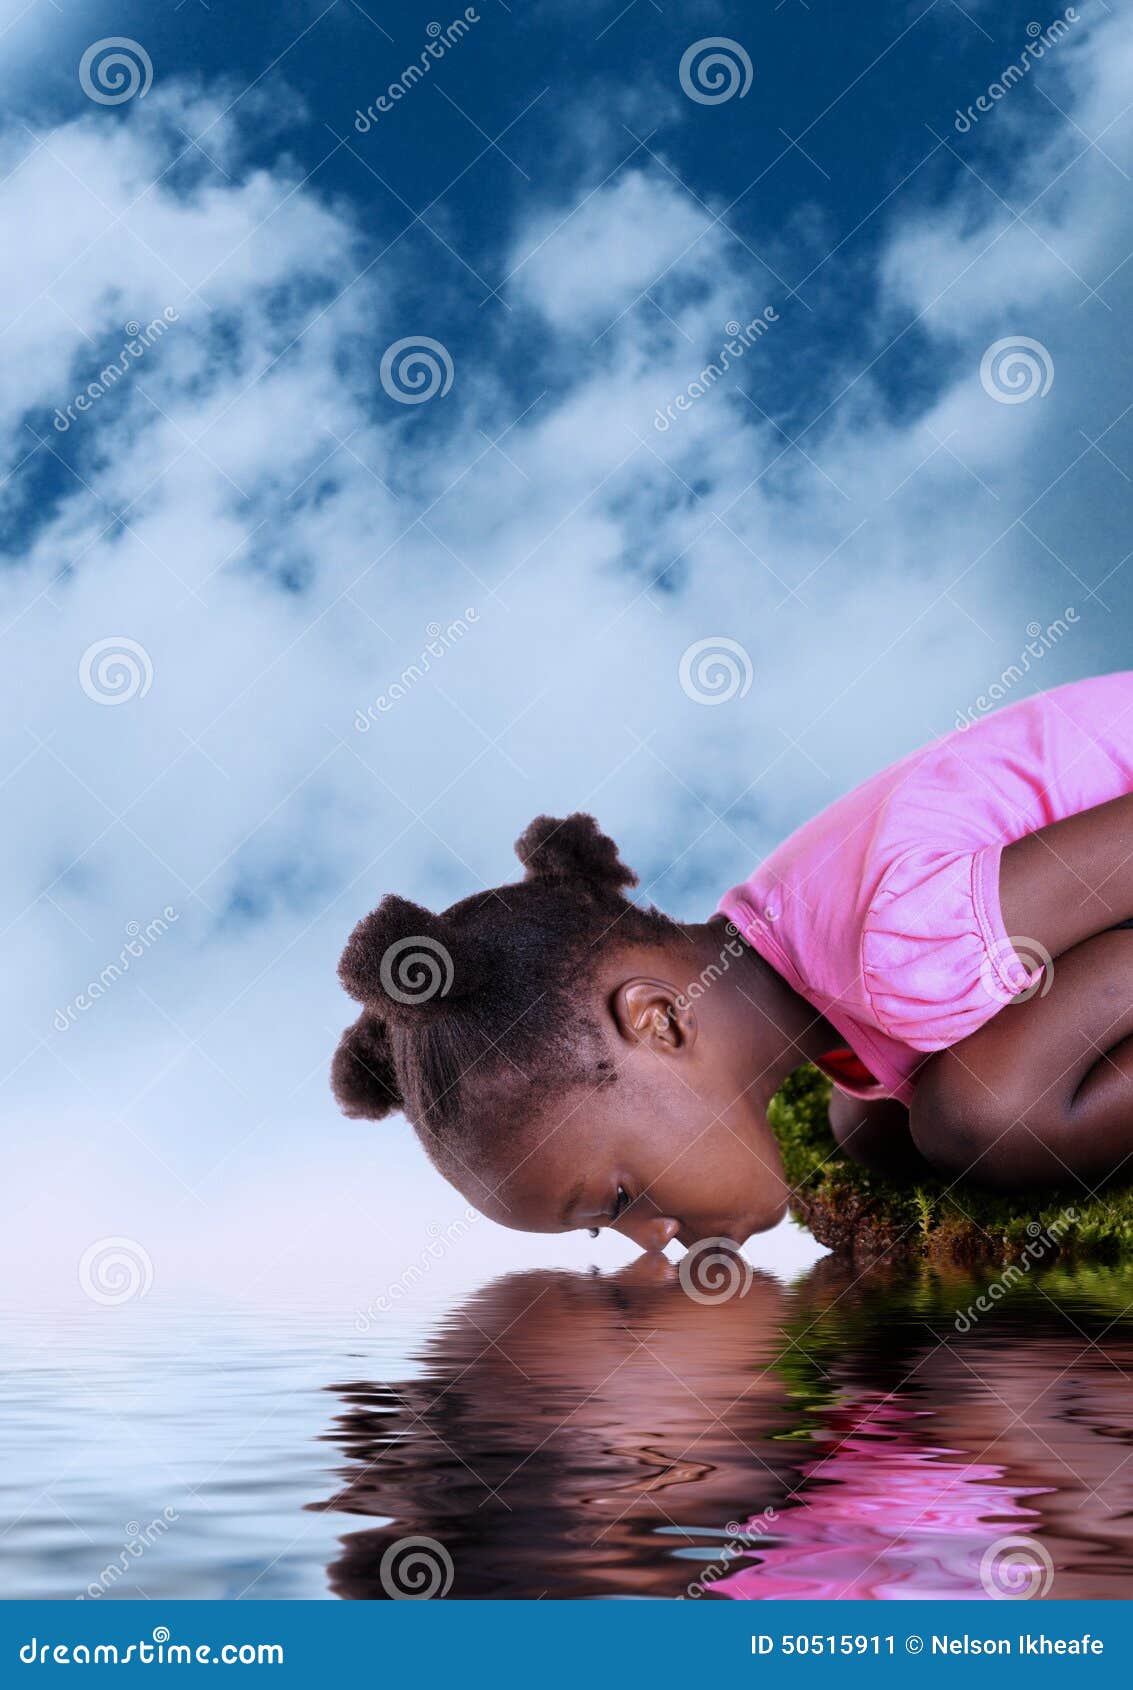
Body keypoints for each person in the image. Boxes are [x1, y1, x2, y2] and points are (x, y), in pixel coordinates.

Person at [332, 672, 1133, 1250]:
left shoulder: (902, 941)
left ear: (657, 1020)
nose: (650, 1240)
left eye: (614, 1201)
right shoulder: (809, 956)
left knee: (983, 1115)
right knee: (876, 1129)